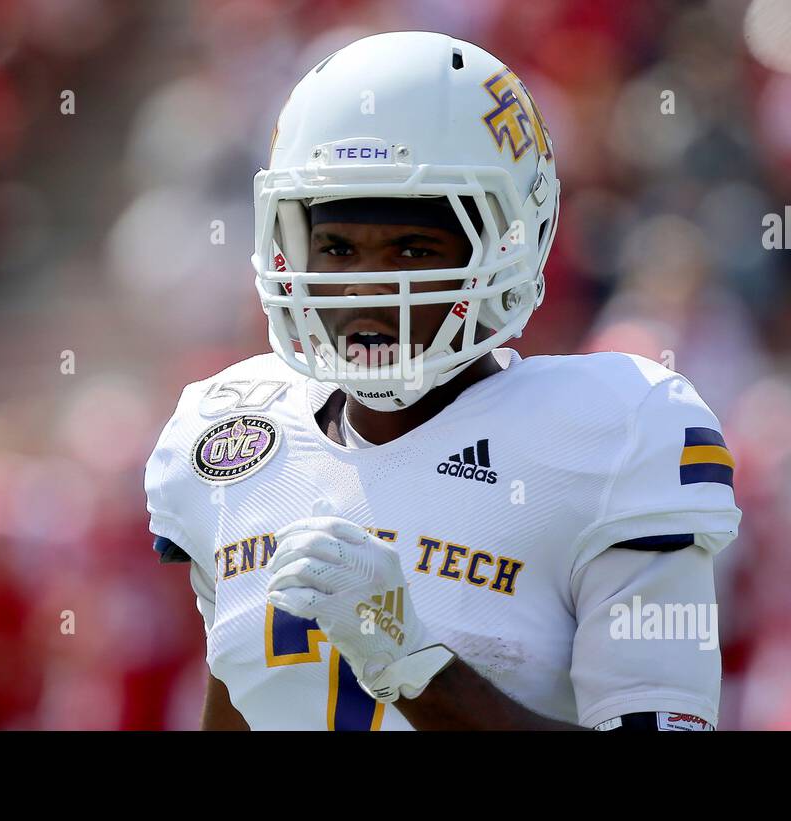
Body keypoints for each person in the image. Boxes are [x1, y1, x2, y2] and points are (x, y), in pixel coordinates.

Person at [144, 31, 740, 730]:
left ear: (512, 239)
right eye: (336, 248)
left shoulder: (621, 433)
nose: (367, 289)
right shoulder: (236, 435)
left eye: (412, 248)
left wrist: (412, 664)